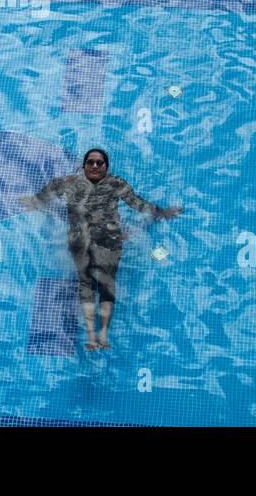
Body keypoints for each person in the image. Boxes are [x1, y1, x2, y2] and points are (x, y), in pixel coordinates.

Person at [22, 149, 182, 351]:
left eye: (100, 163)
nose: (95, 166)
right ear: (84, 165)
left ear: (106, 167)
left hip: (109, 241)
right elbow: (50, 191)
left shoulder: (115, 184)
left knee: (107, 283)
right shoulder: (71, 182)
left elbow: (137, 203)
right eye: (91, 162)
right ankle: (91, 335)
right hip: (81, 241)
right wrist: (35, 201)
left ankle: (103, 332)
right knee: (86, 282)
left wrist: (161, 212)